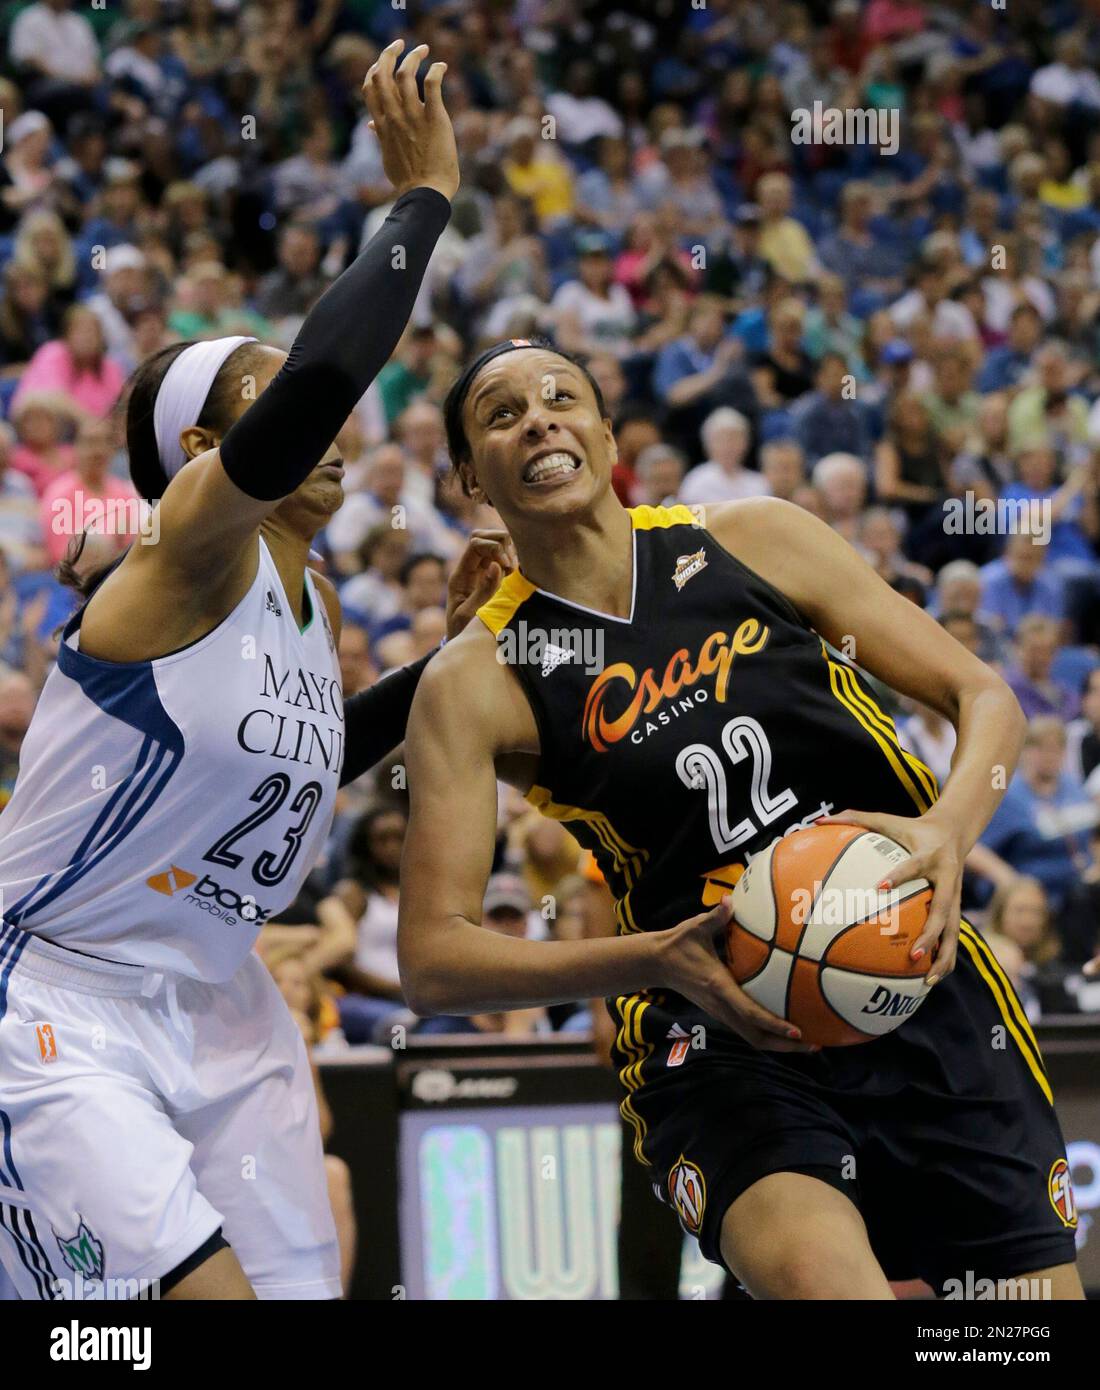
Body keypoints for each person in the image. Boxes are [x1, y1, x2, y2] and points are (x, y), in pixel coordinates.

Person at [396, 336, 1082, 1301]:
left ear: (604, 430)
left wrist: (949, 830)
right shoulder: (476, 678)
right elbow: (434, 958)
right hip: (717, 1030)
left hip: (918, 971)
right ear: (469, 474)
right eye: (502, 413)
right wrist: (654, 957)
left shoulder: (752, 535)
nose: (540, 417)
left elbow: (985, 696)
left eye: (562, 397)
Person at [0, 41, 507, 1304]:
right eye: (271, 402)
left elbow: (311, 763)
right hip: (67, 986)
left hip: (225, 1000)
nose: (324, 421)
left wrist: (449, 656)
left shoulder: (311, 595)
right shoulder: (180, 554)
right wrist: (420, 200)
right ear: (206, 453)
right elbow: (332, 371)